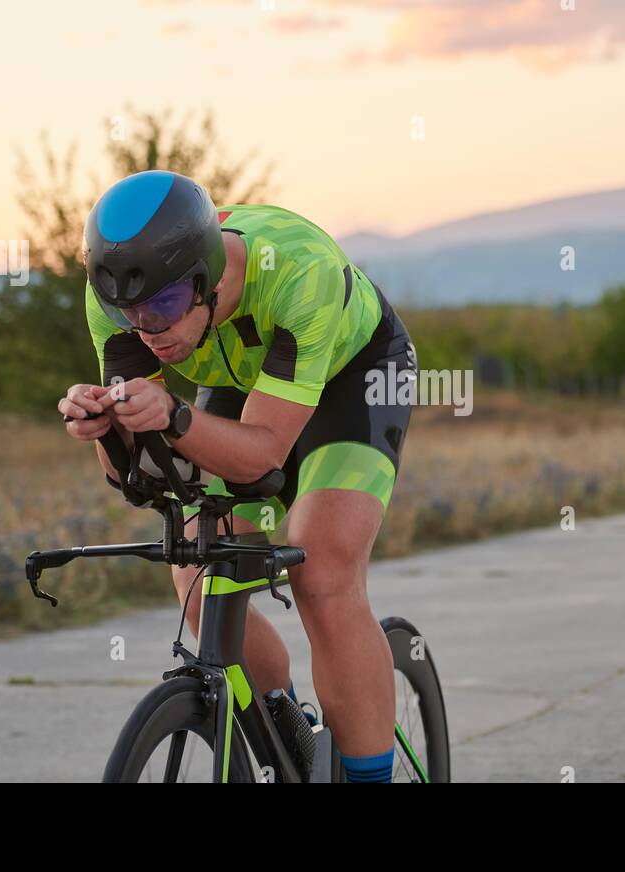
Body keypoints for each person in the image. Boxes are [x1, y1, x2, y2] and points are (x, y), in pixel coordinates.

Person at [58, 170, 416, 783]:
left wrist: (171, 415)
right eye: (128, 311)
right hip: (240, 380)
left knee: (324, 570)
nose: (148, 329)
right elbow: (133, 479)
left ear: (209, 278)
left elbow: (262, 459)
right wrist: (105, 426)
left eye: (166, 305)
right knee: (198, 573)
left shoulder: (300, 271)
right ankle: (285, 728)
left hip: (352, 377)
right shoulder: (119, 298)